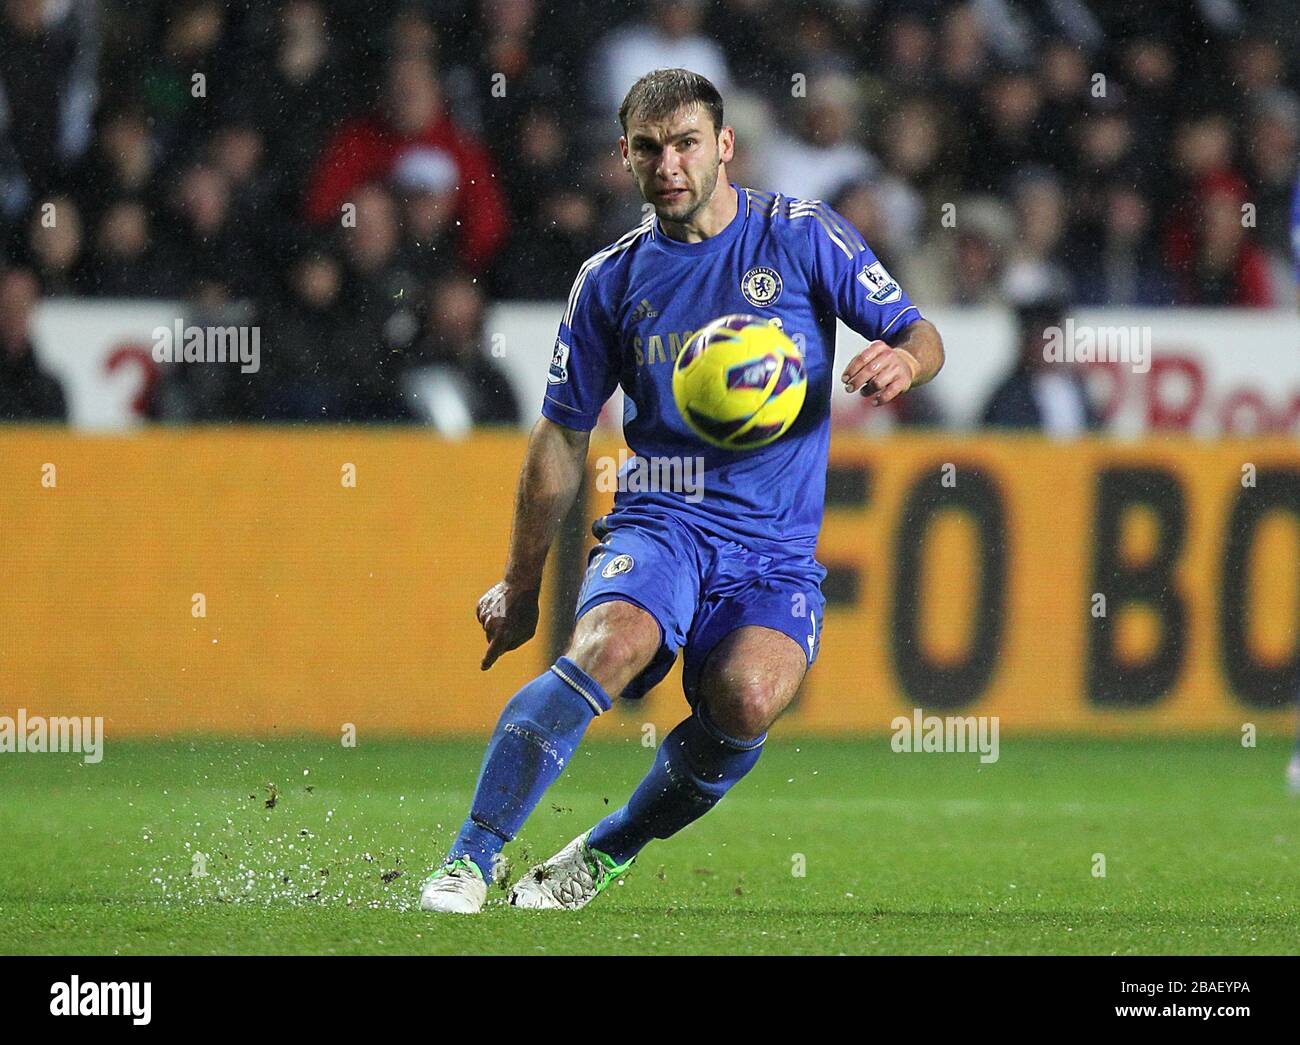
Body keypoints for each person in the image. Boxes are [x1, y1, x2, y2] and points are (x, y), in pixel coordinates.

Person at [420, 68, 943, 913]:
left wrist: (904, 359)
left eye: (687, 143)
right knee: (607, 647)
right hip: (661, 521)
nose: (670, 163)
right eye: (649, 148)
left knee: (747, 696)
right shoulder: (612, 281)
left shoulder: (804, 236)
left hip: (773, 552)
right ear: (625, 159)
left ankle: (605, 849)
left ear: (724, 146)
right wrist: (520, 586)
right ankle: (469, 859)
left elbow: (920, 331)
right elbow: (560, 435)